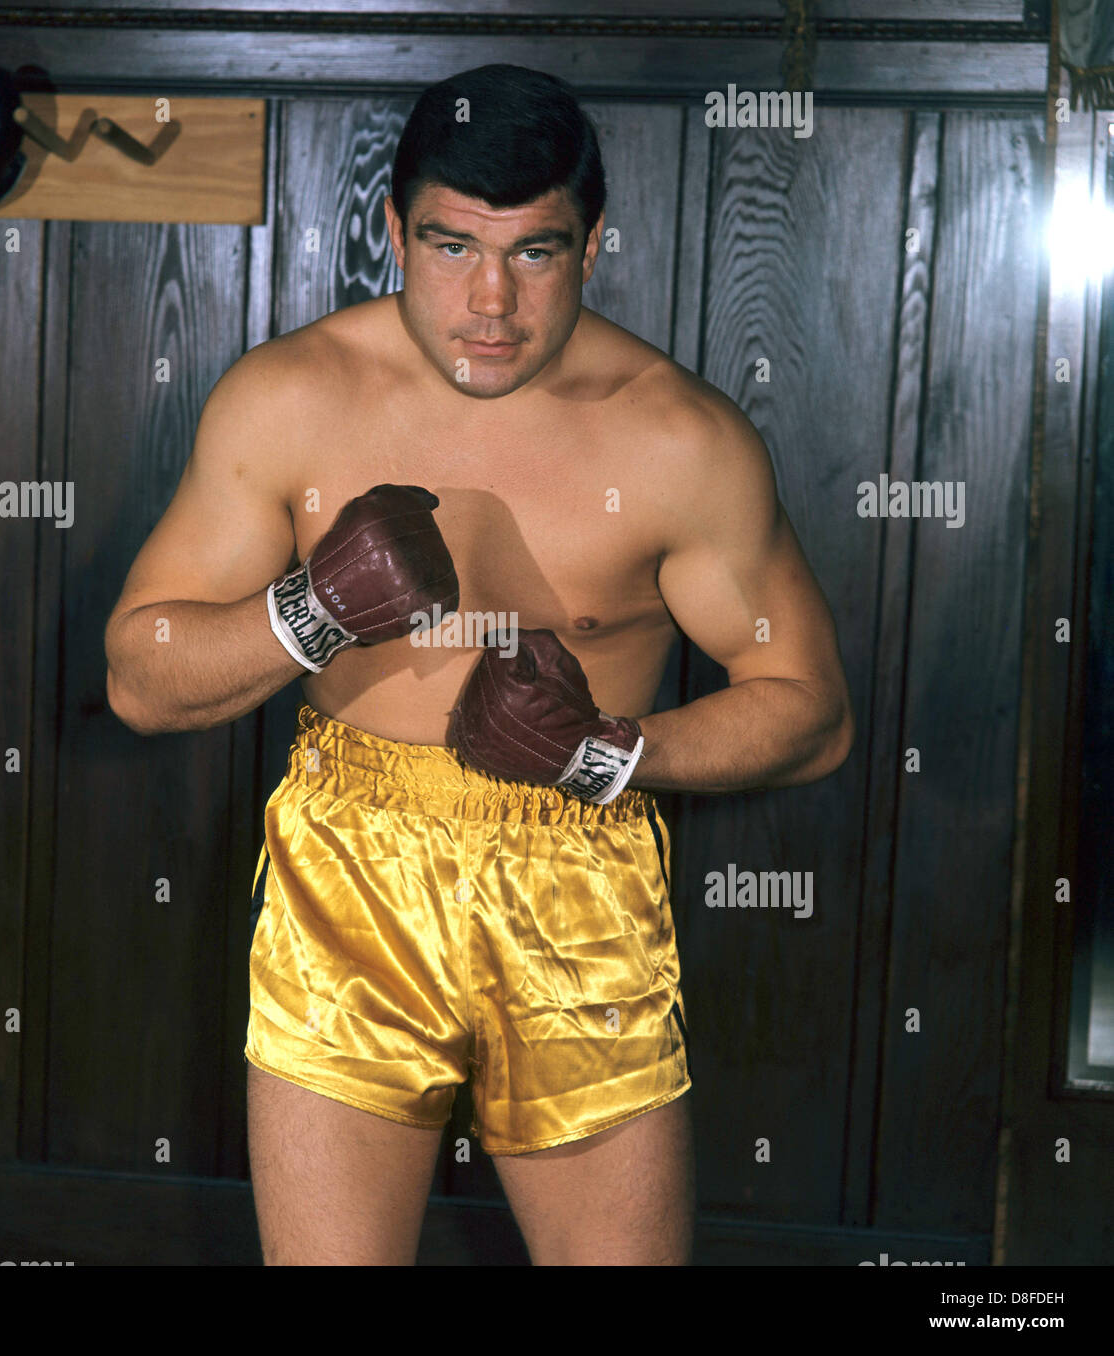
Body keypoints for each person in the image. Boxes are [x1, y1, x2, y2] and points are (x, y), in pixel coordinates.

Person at [103, 62, 854, 1266]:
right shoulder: (290, 401)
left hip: (575, 875)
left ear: (594, 243)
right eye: (452, 246)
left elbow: (811, 713)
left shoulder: (678, 438)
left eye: (537, 253)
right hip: (349, 868)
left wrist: (610, 752)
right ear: (393, 230)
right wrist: (311, 612)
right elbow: (142, 675)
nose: (490, 301)